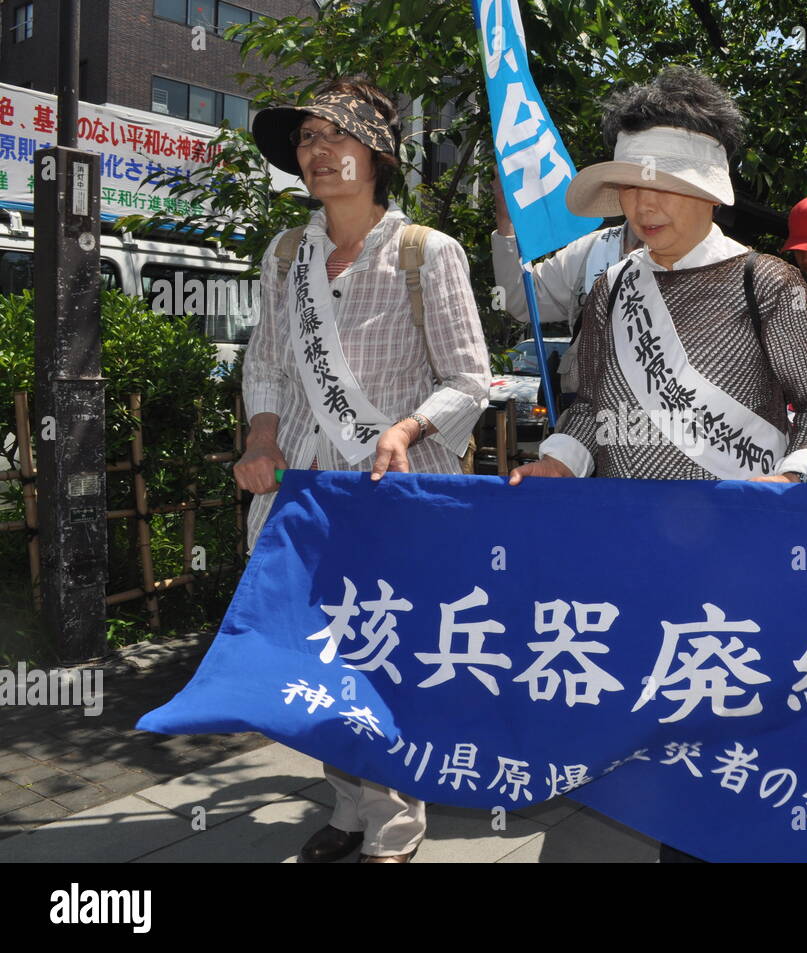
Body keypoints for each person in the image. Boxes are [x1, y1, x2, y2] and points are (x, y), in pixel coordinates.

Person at [507, 66, 807, 862]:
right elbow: (590, 406)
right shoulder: (610, 288)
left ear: (710, 187)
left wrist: (795, 480)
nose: (642, 205)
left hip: (741, 555)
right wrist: (560, 460)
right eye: (628, 187)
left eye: (660, 185)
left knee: (733, 734)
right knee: (654, 733)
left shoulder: (764, 281)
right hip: (634, 554)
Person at [236, 77, 490, 863]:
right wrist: (262, 437)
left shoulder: (425, 253)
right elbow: (268, 364)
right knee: (315, 658)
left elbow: (469, 378)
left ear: (376, 156)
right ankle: (344, 806)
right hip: (305, 489)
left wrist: (407, 426)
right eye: (307, 137)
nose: (317, 151)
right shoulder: (287, 255)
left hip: (395, 490)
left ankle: (393, 829)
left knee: (383, 656)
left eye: (333, 136)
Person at [490, 181, 642, 406]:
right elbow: (519, 299)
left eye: (666, 187)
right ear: (619, 189)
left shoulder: (710, 262)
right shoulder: (592, 249)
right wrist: (507, 222)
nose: (649, 202)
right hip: (586, 425)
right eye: (635, 186)